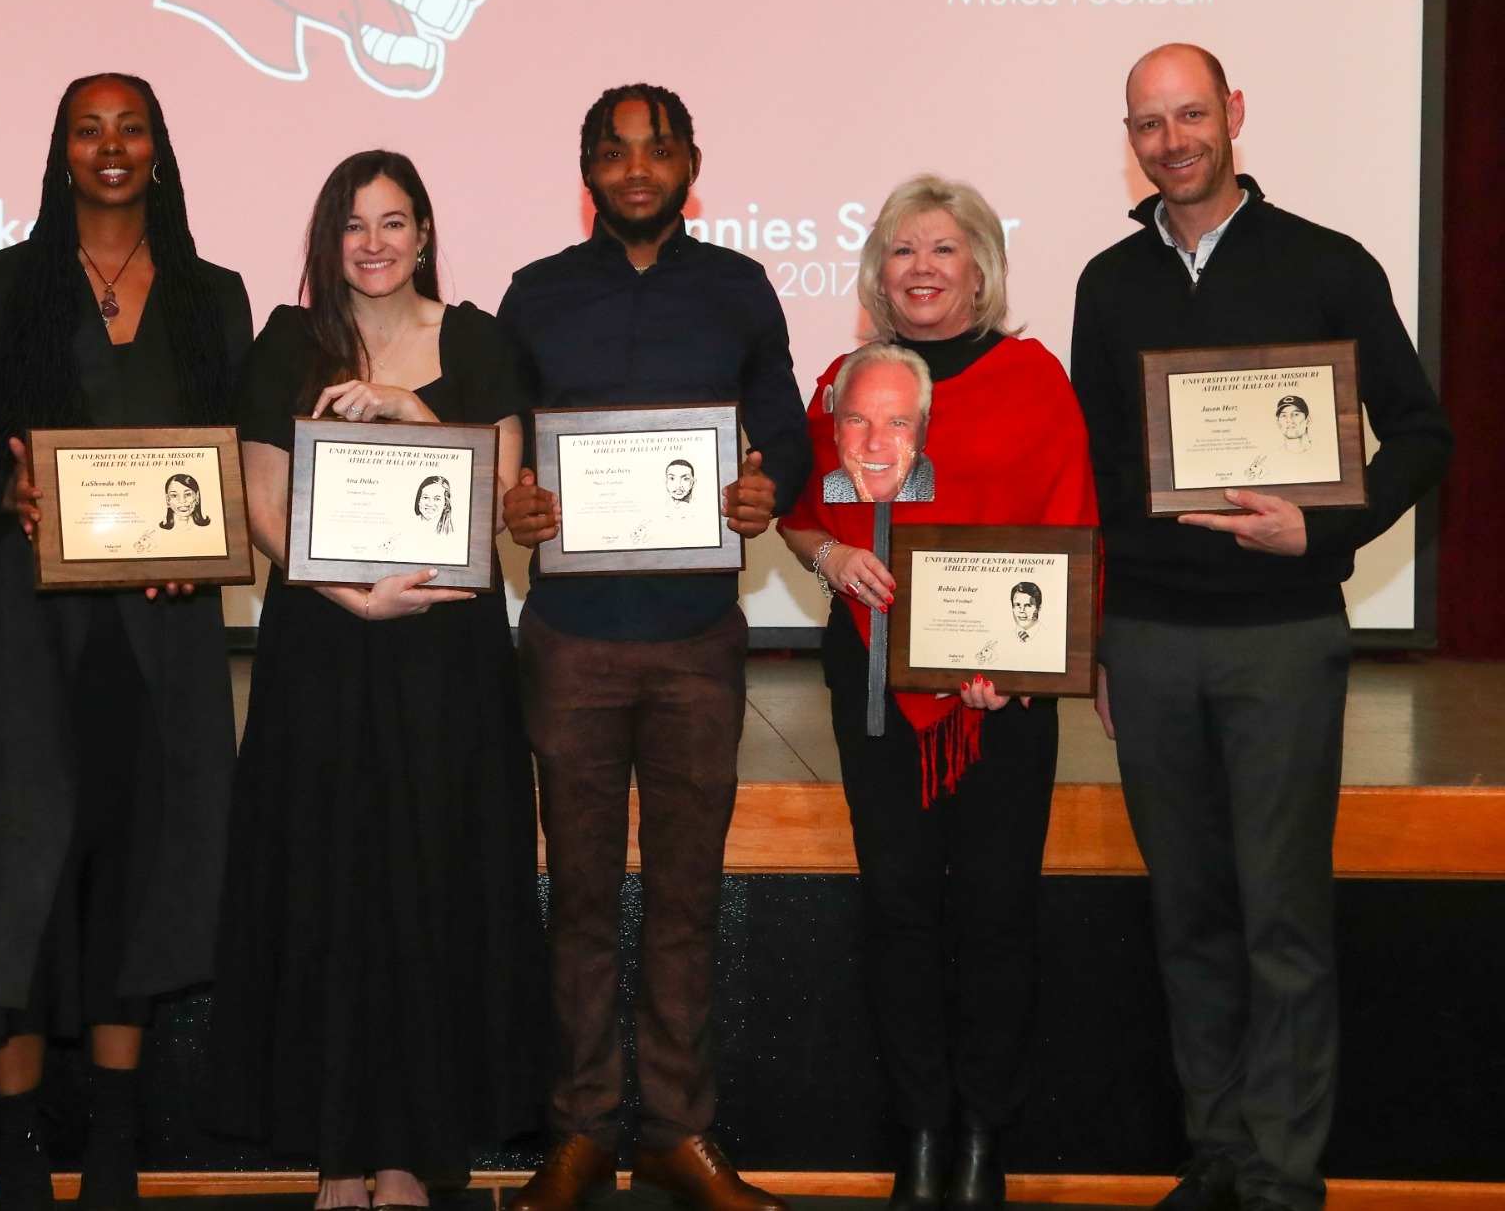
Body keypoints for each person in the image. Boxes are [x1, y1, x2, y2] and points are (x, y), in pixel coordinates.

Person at [1070, 44, 1452, 1211]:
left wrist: (1323, 528)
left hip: (1281, 637)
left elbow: (1421, 433)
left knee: (1279, 917)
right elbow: (1094, 473)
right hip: (1146, 639)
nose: (1171, 140)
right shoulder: (1105, 283)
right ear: (1128, 139)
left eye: (1190, 114)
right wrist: (1092, 637)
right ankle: (1218, 1153)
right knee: (1186, 914)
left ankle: (1282, 1177)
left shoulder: (1326, 263)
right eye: (1148, 123)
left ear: (1231, 113)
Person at [0, 72, 251, 1211]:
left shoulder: (213, 296)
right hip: (24, 636)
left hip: (160, 637)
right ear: (60, 150)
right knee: (17, 876)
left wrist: (206, 542)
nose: (110, 145)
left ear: (158, 149)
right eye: (88, 128)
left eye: (131, 127)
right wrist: (1, 496)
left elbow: (231, 460)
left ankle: (114, 1132)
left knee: (138, 870)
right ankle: (18, 1138)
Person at [208, 151, 546, 1209]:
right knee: (330, 890)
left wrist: (409, 409)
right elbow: (262, 504)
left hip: (447, 657)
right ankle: (339, 1155)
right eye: (354, 225)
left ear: (424, 234)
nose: (373, 243)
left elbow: (500, 494)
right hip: (323, 651)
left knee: (432, 887)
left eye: (393, 222)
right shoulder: (287, 342)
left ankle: (408, 1153)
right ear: (329, 238)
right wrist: (346, 596)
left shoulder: (478, 341)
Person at [499, 83, 811, 1211]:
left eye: (658, 148)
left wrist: (767, 483)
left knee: (685, 898)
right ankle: (579, 1133)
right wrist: (515, 498)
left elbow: (782, 425)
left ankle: (681, 1132)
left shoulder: (739, 287)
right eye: (615, 150)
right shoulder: (534, 294)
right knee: (580, 898)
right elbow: (502, 444)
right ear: (586, 166)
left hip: (695, 642)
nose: (637, 168)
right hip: (572, 643)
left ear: (691, 163)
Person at [778, 177, 1097, 1211]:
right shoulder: (849, 383)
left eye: (943, 249)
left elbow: (1070, 527)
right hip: (878, 684)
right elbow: (801, 509)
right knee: (899, 907)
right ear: (877, 270)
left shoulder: (1032, 380)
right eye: (902, 250)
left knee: (998, 914)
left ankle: (983, 1139)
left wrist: (1024, 660)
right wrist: (828, 558)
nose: (921, 268)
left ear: (981, 268)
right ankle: (920, 1131)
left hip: (1006, 699)